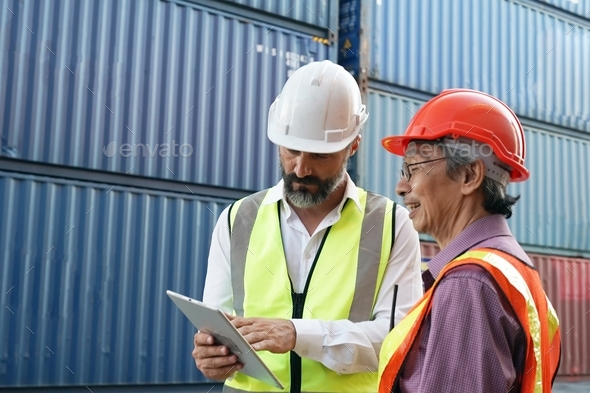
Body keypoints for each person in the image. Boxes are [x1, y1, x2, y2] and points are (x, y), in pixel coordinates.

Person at [192, 60, 423, 393]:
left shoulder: (391, 225)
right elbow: (218, 330)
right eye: (291, 150)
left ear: (352, 146)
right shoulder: (236, 220)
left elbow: (398, 341)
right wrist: (212, 359)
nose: (300, 169)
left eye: (319, 155)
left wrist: (299, 335)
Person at [377, 89, 562, 392]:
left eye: (413, 169)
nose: (400, 186)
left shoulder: (469, 284)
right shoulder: (512, 267)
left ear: (468, 176)